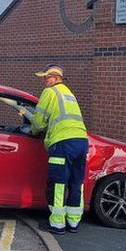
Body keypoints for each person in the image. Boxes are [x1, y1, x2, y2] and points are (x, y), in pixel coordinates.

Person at [31, 65, 89, 235]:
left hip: (63, 143)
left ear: (56, 78)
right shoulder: (69, 94)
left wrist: (34, 131)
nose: (44, 80)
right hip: (81, 142)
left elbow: (39, 119)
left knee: (58, 184)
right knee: (76, 182)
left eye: (47, 77)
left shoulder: (50, 92)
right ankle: (73, 222)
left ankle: (57, 224)